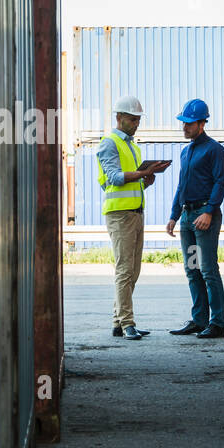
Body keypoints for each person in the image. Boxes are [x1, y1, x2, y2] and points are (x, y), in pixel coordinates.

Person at [96, 96, 158, 341]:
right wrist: (141, 173)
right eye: (132, 119)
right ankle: (128, 323)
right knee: (124, 270)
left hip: (135, 213)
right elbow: (113, 177)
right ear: (119, 117)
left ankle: (118, 322)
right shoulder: (109, 143)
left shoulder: (133, 145)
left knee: (133, 270)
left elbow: (132, 181)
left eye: (138, 119)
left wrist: (146, 180)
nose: (136, 123)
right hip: (120, 215)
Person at [166, 98, 224, 339]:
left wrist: (209, 211)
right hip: (188, 216)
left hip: (204, 217)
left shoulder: (215, 150)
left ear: (202, 124)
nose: (185, 127)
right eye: (183, 123)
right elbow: (181, 185)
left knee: (208, 269)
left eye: (189, 124)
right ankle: (199, 319)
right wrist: (174, 215)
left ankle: (217, 323)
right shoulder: (186, 151)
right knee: (192, 269)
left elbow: (220, 183)